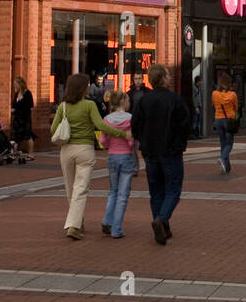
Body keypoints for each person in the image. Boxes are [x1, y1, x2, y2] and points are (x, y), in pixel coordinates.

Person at [51, 73, 128, 240]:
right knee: (81, 189)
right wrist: (121, 134)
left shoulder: (63, 106)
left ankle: (77, 222)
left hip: (66, 150)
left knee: (71, 189)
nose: (88, 88)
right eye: (86, 86)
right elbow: (100, 125)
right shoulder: (89, 105)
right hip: (85, 149)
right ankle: (74, 225)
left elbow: (53, 130)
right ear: (82, 89)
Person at [130, 64, 191, 244]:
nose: (170, 78)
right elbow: (184, 126)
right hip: (170, 151)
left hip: (150, 151)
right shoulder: (176, 100)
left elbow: (135, 126)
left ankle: (163, 227)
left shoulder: (143, 100)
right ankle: (162, 219)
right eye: (168, 75)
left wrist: (143, 141)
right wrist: (179, 145)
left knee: (156, 190)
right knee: (173, 189)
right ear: (163, 79)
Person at [100, 91, 138, 238]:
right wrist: (130, 144)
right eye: (128, 100)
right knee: (123, 194)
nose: (129, 102)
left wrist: (110, 145)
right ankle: (116, 229)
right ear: (123, 102)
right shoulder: (130, 119)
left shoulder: (107, 119)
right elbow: (132, 140)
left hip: (112, 157)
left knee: (113, 191)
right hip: (126, 157)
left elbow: (102, 140)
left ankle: (107, 219)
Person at [212, 72, 239, 174]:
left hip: (218, 119)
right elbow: (236, 108)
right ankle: (222, 159)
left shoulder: (214, 93)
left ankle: (226, 167)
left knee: (223, 142)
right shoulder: (233, 95)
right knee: (229, 143)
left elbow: (214, 104)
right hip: (229, 120)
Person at [10, 76, 36, 160]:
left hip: (25, 118)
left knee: (28, 136)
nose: (14, 86)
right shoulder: (16, 94)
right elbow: (14, 106)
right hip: (17, 118)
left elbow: (31, 107)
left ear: (20, 84)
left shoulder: (28, 93)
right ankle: (13, 154)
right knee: (14, 136)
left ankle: (31, 155)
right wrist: (13, 110)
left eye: (15, 84)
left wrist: (19, 108)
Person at [191, 74, 204, 139]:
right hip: (196, 107)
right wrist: (195, 107)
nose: (202, 82)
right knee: (195, 121)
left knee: (199, 121)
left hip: (200, 105)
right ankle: (194, 135)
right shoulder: (194, 88)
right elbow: (193, 98)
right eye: (201, 81)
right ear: (198, 81)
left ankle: (197, 135)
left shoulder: (199, 88)